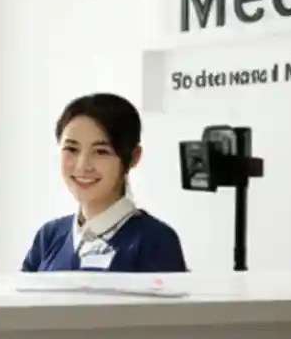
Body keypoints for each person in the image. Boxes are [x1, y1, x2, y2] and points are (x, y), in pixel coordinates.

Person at [20, 92, 187, 273]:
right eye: (71, 149)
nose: (82, 165)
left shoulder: (155, 241)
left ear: (133, 157)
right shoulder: (49, 236)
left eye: (101, 151)